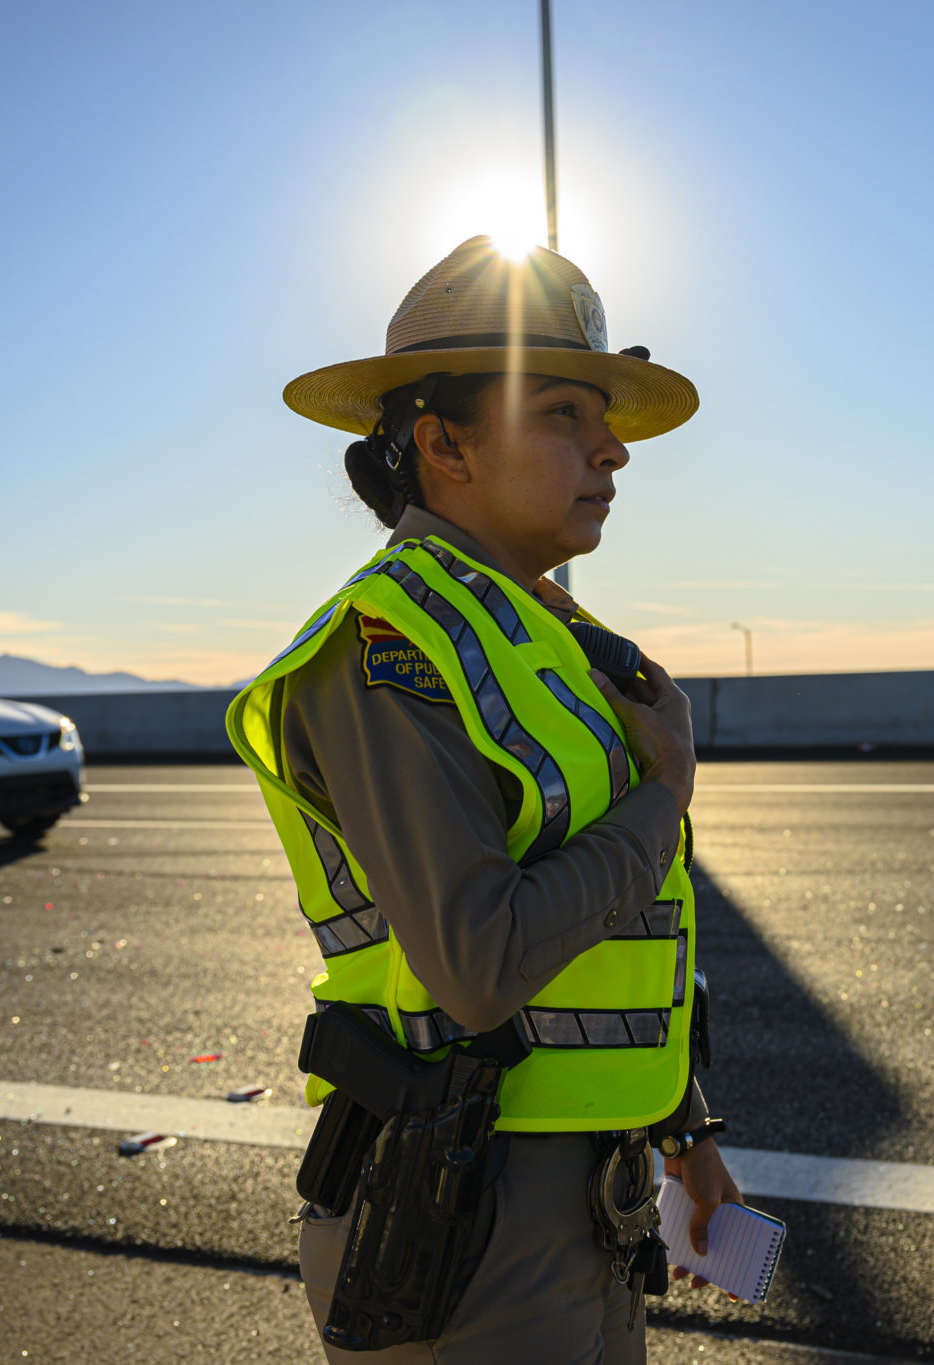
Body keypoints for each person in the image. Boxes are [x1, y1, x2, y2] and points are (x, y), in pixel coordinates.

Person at [227, 236, 740, 1363]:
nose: (610, 448)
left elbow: (614, 933)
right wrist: (666, 798)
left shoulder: (552, 637)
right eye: (564, 413)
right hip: (463, 1219)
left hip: (577, 1204)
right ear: (442, 442)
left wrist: (683, 1126)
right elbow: (477, 963)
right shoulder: (383, 647)